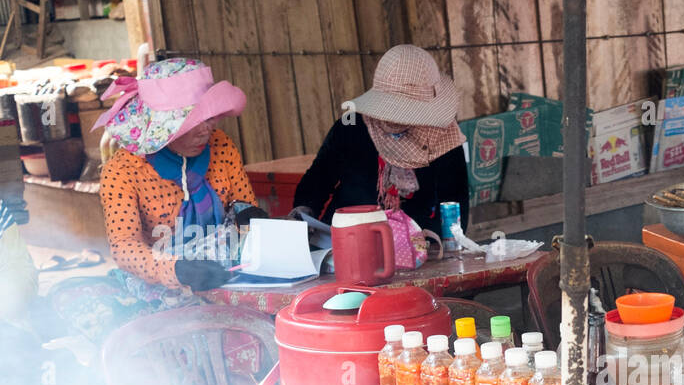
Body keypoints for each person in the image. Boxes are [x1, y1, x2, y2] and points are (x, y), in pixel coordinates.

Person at [97, 58, 260, 294]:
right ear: (161, 130)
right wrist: (177, 270)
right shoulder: (123, 171)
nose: (206, 129)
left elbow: (246, 209)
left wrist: (250, 218)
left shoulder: (220, 146)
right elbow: (124, 246)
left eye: (209, 117)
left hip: (226, 275)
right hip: (162, 284)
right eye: (192, 121)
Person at [294, 45, 469, 234]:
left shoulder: (443, 136)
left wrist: (434, 243)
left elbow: (455, 207)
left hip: (416, 243)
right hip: (347, 237)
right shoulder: (351, 126)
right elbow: (319, 178)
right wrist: (305, 208)